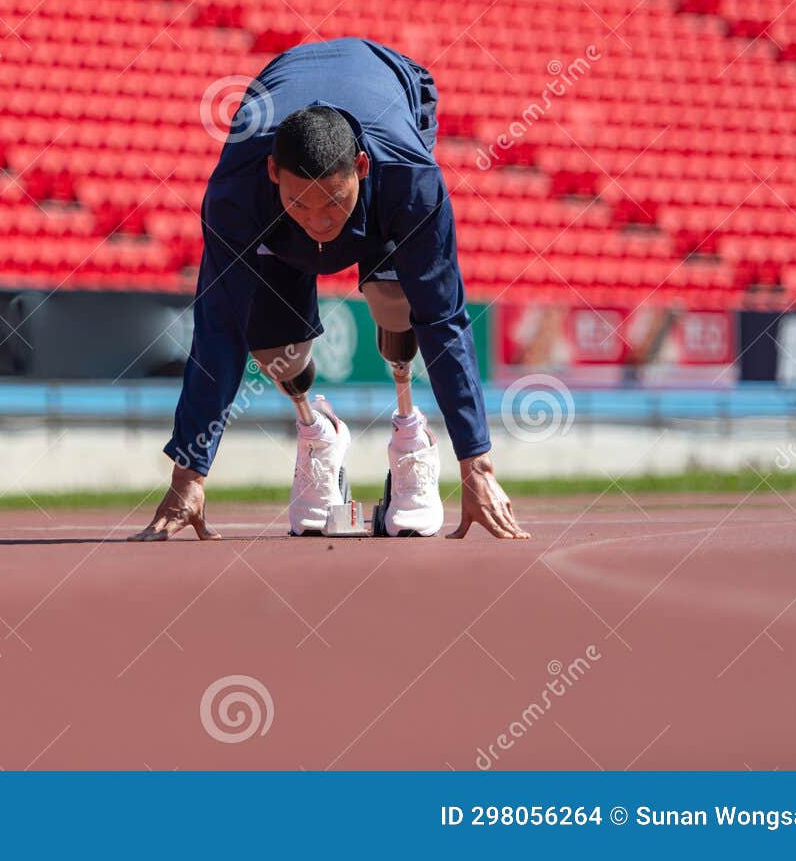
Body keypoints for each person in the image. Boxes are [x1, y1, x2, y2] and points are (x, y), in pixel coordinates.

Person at [131, 37, 529, 542]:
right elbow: (219, 326)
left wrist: (478, 466)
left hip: (389, 96)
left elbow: (444, 318)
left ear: (360, 168)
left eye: (333, 204)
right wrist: (188, 474)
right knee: (276, 351)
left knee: (398, 303)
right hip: (278, 141)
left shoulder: (410, 180)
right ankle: (319, 435)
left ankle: (411, 436)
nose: (320, 222)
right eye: (302, 205)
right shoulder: (237, 192)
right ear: (274, 174)